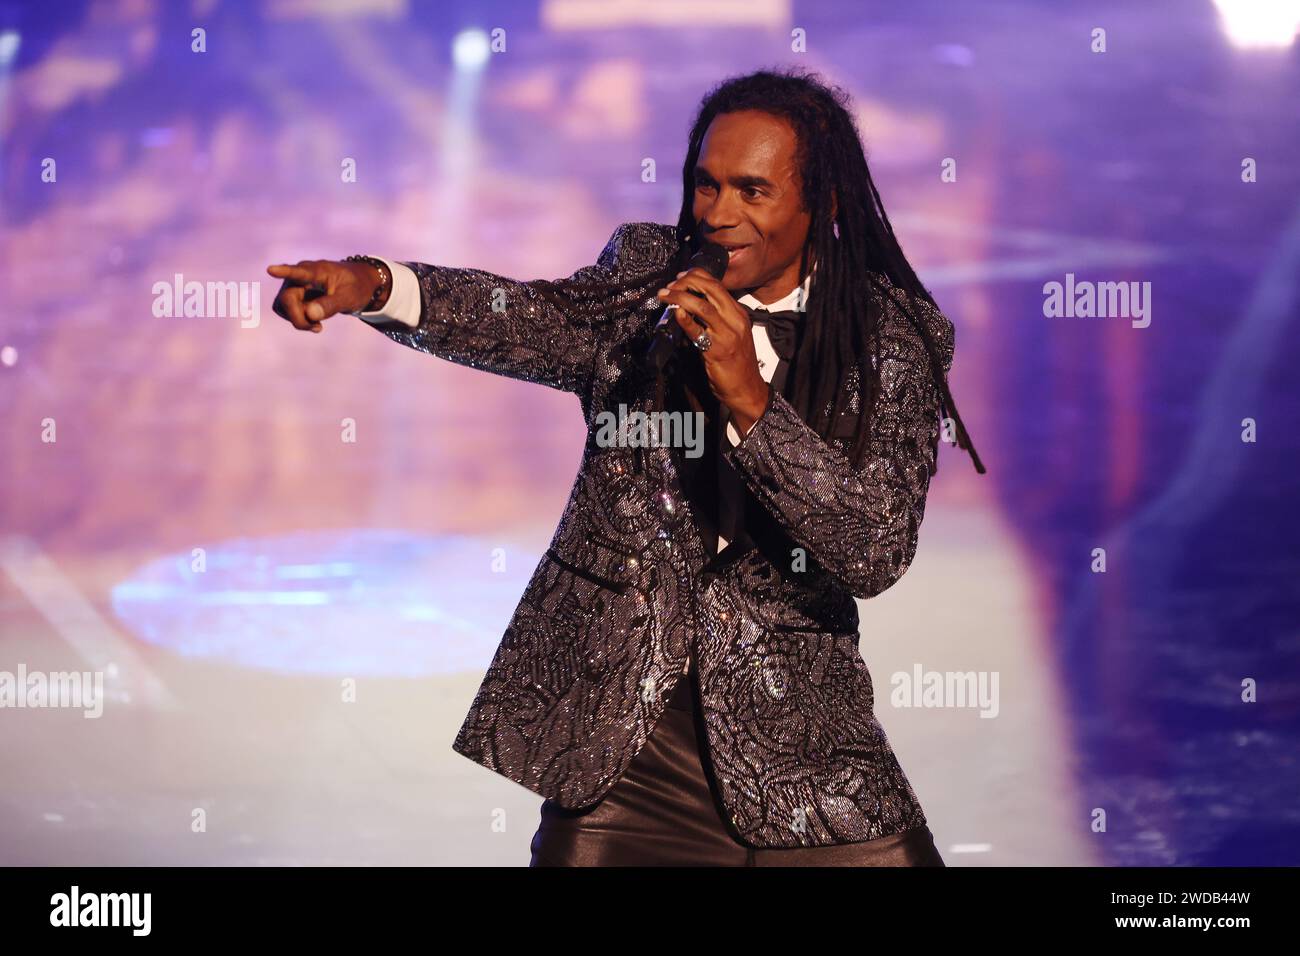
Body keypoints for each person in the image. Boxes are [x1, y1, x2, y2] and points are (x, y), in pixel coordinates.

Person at [269, 68, 984, 866]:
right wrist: (375, 285)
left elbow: (875, 550)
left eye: (753, 191)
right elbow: (532, 320)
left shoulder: (891, 340)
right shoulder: (652, 279)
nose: (718, 214)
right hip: (627, 750)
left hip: (808, 756)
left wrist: (750, 401)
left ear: (828, 203)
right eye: (706, 185)